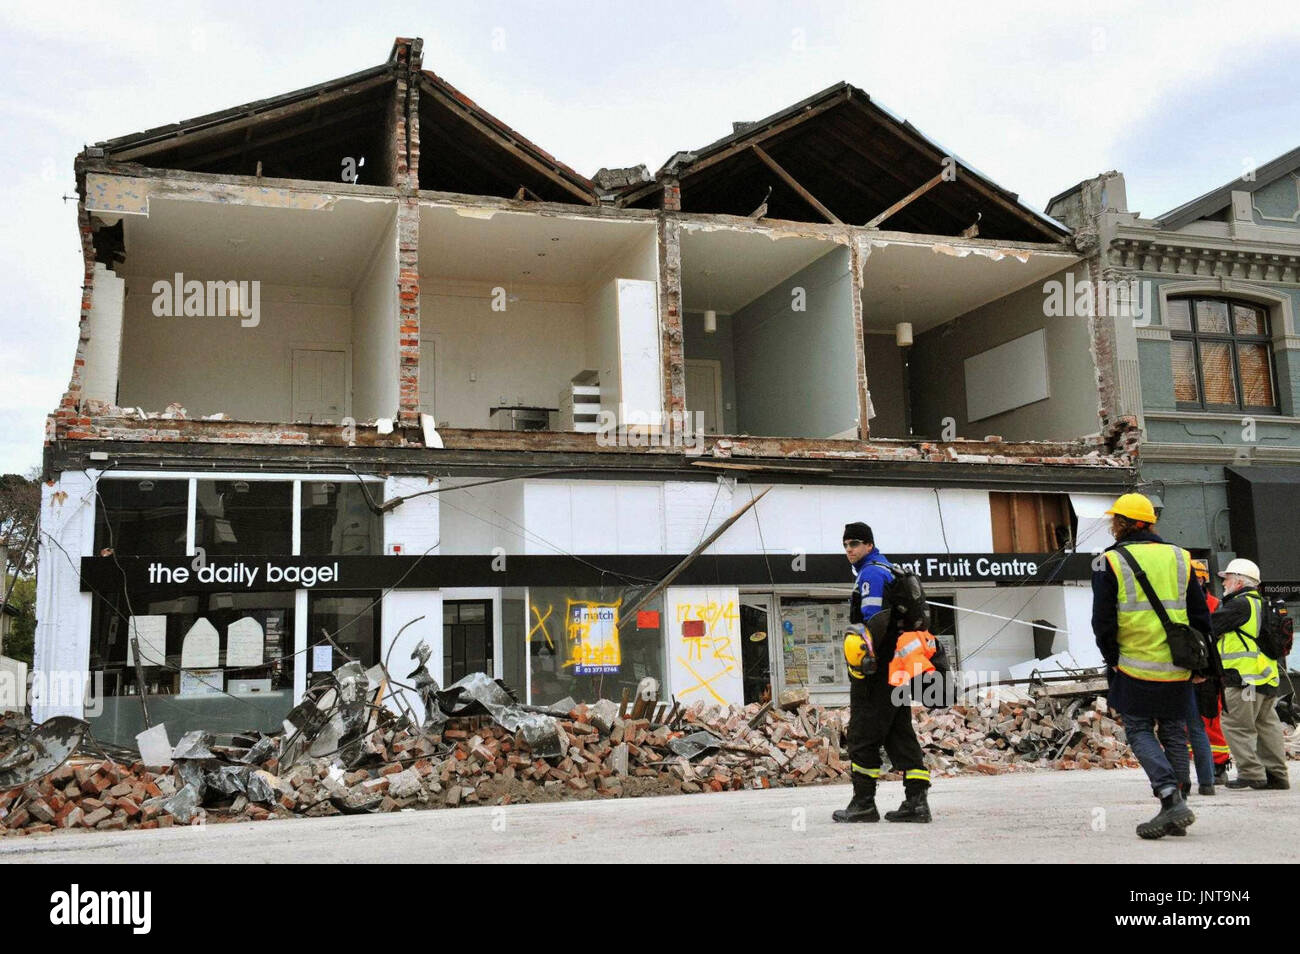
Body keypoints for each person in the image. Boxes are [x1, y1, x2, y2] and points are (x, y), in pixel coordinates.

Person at [1092, 493, 1212, 839]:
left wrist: (1112, 660)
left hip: (1135, 665)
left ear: (1124, 523)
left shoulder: (1108, 562)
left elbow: (1103, 621)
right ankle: (1177, 807)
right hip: (1178, 664)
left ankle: (1169, 795)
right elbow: (1199, 613)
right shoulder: (1180, 556)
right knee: (1174, 730)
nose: (1111, 524)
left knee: (1140, 729)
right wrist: (1203, 663)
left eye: (1115, 519)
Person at [833, 522, 932, 824]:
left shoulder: (872, 573)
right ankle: (916, 803)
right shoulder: (888, 568)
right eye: (846, 544)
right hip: (896, 669)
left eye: (855, 543)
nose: (849, 549)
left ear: (869, 545)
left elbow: (874, 620)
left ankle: (863, 803)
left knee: (862, 734)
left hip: (877, 670)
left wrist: (864, 663)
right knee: (899, 733)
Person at [1212, 558, 1289, 791]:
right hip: (1266, 679)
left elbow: (1209, 627)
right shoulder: (1262, 604)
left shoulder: (1239, 604)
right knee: (1267, 726)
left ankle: (1251, 773)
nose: (1223, 582)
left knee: (1236, 725)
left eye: (1226, 578)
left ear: (1238, 581)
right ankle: (1277, 775)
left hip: (1244, 680)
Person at [1191, 559, 1233, 786]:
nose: (1194, 582)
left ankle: (1218, 765)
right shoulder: (1179, 602)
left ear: (1203, 579)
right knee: (1191, 721)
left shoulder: (1215, 604)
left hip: (1209, 672)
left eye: (1197, 578)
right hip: (1188, 668)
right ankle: (1202, 765)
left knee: (1211, 719)